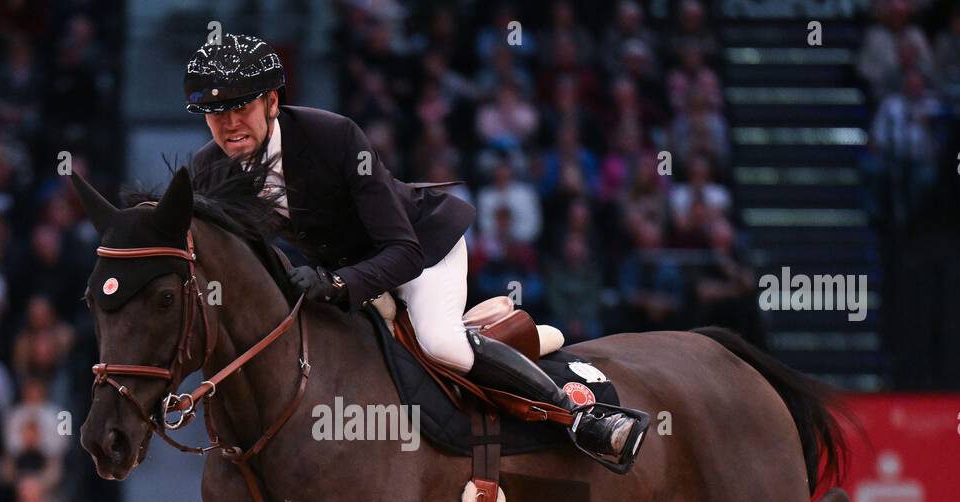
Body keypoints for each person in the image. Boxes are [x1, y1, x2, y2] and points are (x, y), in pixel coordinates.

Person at [184, 34, 641, 465]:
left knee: (441, 345)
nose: (229, 124)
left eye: (240, 108)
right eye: (214, 112)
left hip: (422, 250)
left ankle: (580, 417)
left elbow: (402, 251)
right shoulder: (209, 171)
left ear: (271, 101)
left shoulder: (332, 136)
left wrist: (337, 283)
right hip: (349, 269)